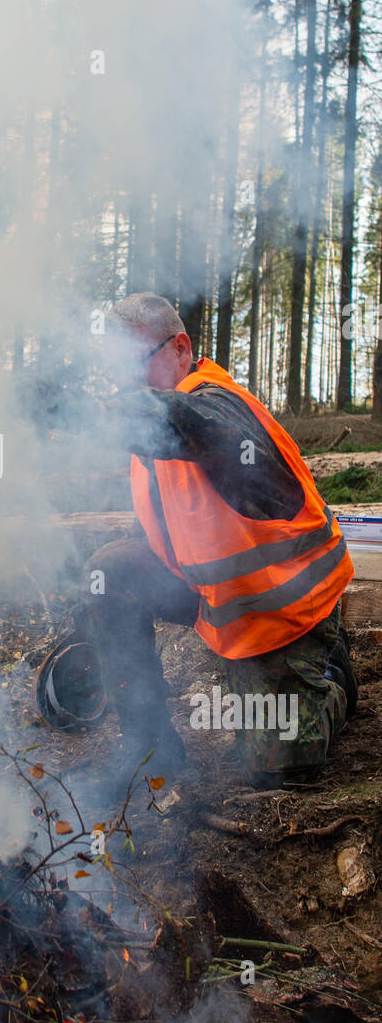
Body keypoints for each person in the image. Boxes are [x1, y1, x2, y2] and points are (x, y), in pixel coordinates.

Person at [38, 292, 357, 789]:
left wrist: (99, 410)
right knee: (110, 572)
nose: (125, 384)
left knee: (279, 766)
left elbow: (191, 424)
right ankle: (149, 747)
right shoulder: (150, 425)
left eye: (133, 364)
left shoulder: (220, 408)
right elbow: (166, 523)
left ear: (181, 348)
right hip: (217, 595)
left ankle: (335, 681)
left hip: (284, 612)